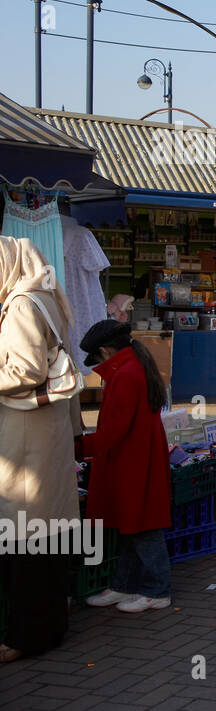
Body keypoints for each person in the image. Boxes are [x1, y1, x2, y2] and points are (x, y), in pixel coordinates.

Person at [0, 237, 81, 663]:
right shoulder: (45, 296)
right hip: (44, 437)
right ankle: (49, 623)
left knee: (25, 542)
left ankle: (28, 636)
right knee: (42, 541)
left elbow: (25, 370)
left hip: (26, 438)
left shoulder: (21, 305)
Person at [79, 320, 173, 613]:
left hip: (132, 460)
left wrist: (77, 446)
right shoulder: (133, 366)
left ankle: (157, 590)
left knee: (143, 526)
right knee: (132, 525)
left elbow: (114, 429)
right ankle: (124, 585)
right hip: (135, 457)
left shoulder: (126, 375)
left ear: (105, 351)